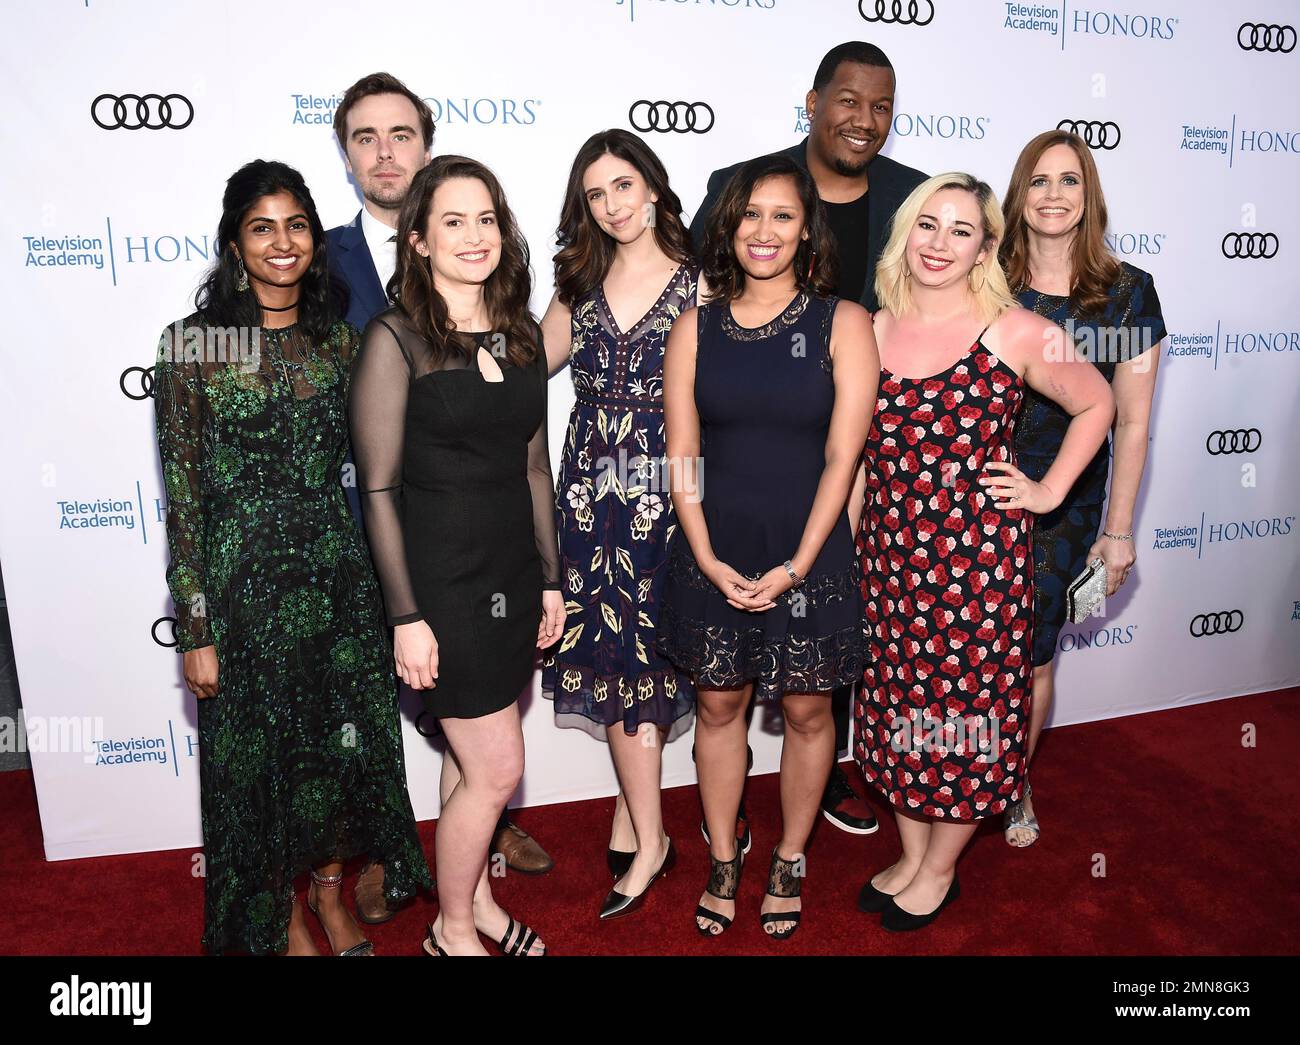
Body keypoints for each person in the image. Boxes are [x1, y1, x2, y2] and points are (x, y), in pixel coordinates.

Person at [153, 159, 432, 955]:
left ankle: (331, 894)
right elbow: (184, 497)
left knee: (339, 748)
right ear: (235, 245)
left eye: (297, 225)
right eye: (262, 227)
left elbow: (387, 469)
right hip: (242, 599)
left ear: (316, 238)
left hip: (339, 584)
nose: (283, 242)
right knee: (258, 762)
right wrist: (194, 624)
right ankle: (276, 914)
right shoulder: (193, 347)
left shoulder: (340, 343)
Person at [852, 173, 1114, 931]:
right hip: (890, 559)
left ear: (986, 246)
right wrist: (850, 541)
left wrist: (1048, 489)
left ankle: (939, 868)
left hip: (978, 566)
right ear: (906, 232)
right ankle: (908, 852)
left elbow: (1099, 401)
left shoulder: (1017, 327)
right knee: (897, 707)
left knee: (966, 718)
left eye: (960, 230)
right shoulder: (874, 326)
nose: (939, 243)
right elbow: (862, 455)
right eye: (926, 225)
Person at [327, 74, 553, 922]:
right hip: (441, 586)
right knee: (496, 767)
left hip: (509, 574)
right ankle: (453, 926)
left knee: (470, 763)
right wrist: (406, 614)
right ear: (416, 239)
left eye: (486, 218)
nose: (473, 235)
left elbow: (536, 467)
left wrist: (553, 579)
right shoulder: (395, 337)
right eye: (452, 221)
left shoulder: (519, 331)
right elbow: (378, 487)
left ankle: (479, 902)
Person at [689, 41, 927, 834]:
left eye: (882, 106)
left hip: (863, 456)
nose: (865, 120)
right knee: (727, 693)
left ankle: (814, 798)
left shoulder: (910, 196)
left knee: (814, 684)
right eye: (850, 100)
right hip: (751, 453)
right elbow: (695, 286)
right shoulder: (747, 182)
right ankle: (736, 830)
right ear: (814, 101)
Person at [656, 155, 877, 940]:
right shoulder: (695, 327)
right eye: (750, 215)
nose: (764, 231)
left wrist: (797, 565)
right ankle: (724, 854)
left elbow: (843, 459)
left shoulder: (844, 323)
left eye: (783, 215)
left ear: (806, 228)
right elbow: (682, 454)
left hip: (810, 552)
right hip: (712, 547)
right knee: (719, 705)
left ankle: (789, 854)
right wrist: (708, 555)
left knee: (810, 710)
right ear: (729, 226)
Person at [538, 129, 699, 919]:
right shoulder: (581, 279)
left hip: (671, 489)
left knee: (652, 655)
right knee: (609, 653)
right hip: (588, 493)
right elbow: (529, 366)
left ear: (656, 187)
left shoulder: (704, 282)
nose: (612, 205)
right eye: (596, 194)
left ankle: (650, 830)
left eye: (624, 186)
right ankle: (649, 823)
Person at [998, 130, 1165, 847]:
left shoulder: (1127, 293)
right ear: (1018, 195)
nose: (1054, 195)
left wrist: (1118, 529)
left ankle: (1011, 782)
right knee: (971, 646)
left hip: (1064, 506)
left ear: (1089, 195)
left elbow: (1130, 425)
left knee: (1032, 649)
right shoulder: (984, 280)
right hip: (979, 492)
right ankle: (950, 767)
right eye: (1039, 181)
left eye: (1070, 180)